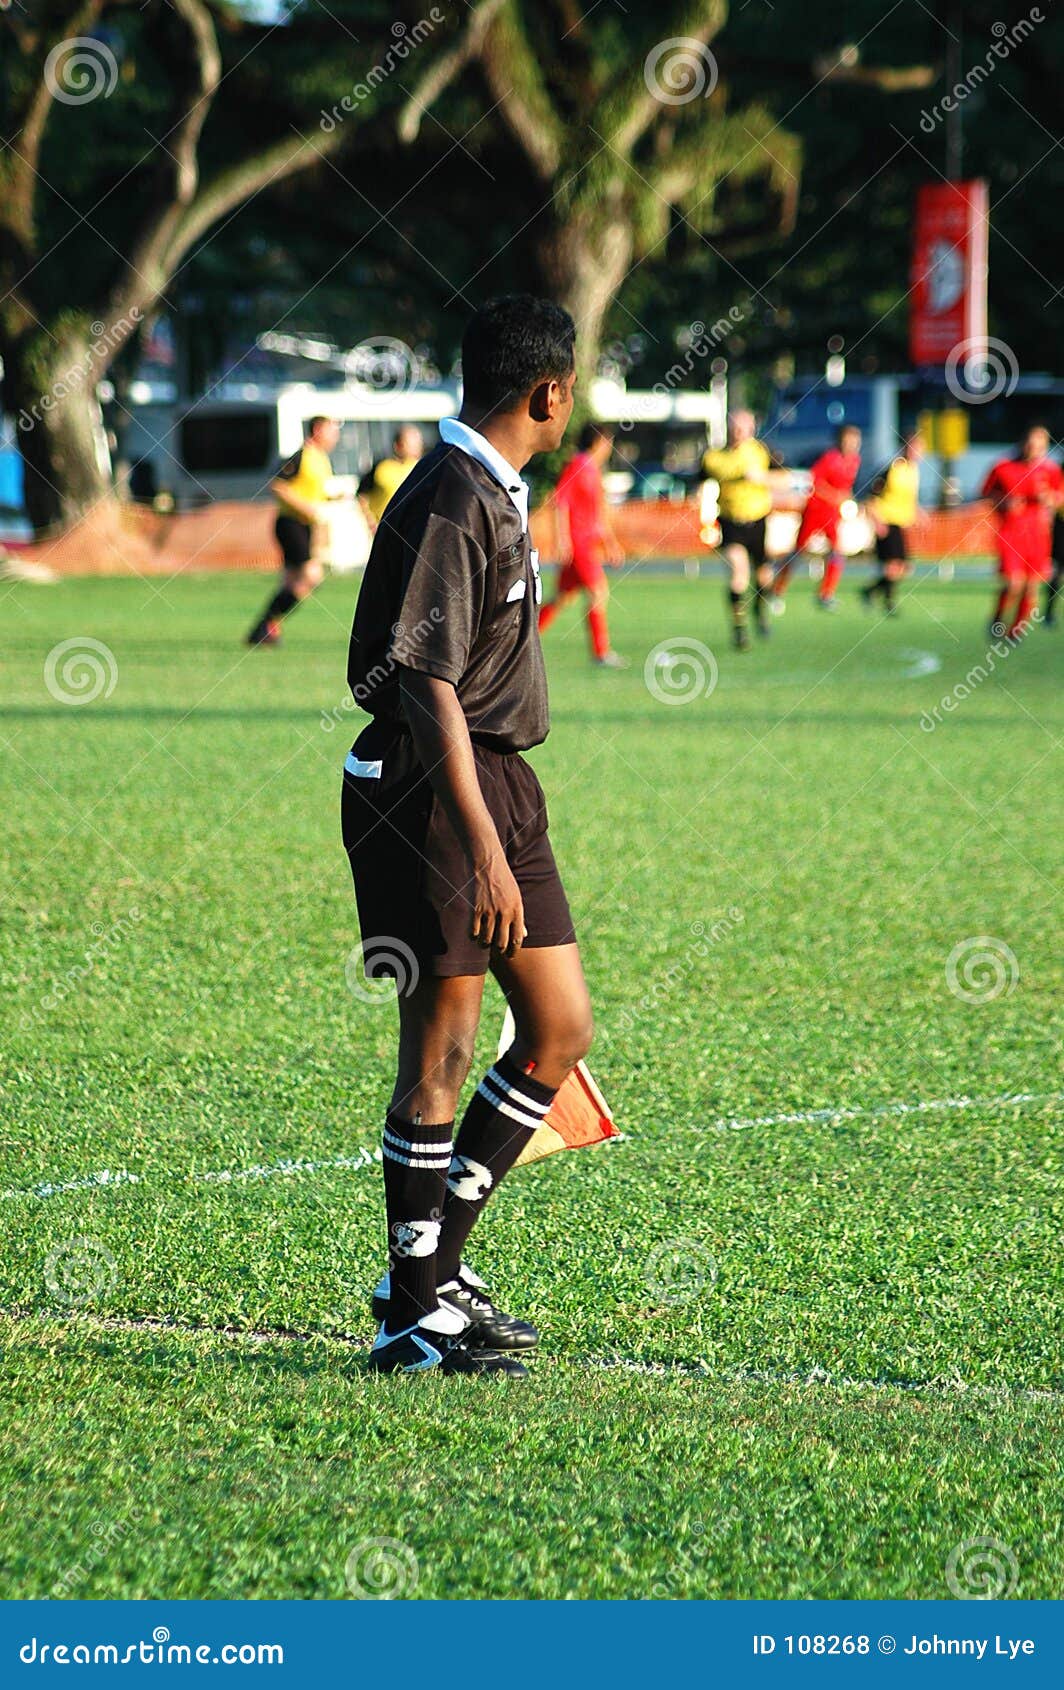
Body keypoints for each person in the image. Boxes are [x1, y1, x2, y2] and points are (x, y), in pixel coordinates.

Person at [342, 295, 593, 1378]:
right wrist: (481, 845)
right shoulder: (454, 494)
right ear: (547, 393)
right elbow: (427, 680)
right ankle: (411, 1315)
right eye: (570, 387)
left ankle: (436, 1265)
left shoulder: (491, 483)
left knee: (558, 1027)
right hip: (432, 791)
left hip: (496, 782)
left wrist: (501, 823)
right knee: (442, 1049)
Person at [537, 422, 626, 667]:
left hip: (588, 544)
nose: (609, 448)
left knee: (561, 598)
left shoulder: (593, 469)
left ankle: (524, 640)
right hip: (579, 545)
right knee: (599, 592)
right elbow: (560, 502)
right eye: (607, 442)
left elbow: (598, 514)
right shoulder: (578, 465)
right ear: (599, 442)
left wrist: (611, 545)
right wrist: (562, 539)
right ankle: (601, 653)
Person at [246, 415, 339, 647]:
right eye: (332, 430)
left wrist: (332, 498)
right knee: (311, 576)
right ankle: (266, 625)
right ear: (317, 430)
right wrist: (305, 507)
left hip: (305, 526)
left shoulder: (321, 459)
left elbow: (310, 490)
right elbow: (278, 485)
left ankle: (264, 630)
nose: (336, 436)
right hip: (290, 523)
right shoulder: (302, 455)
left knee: (291, 583)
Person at [982, 425, 1063, 641]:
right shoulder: (1003, 467)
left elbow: (1059, 497)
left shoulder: (1051, 470)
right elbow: (986, 494)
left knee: (1030, 586)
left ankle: (1016, 629)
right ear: (1023, 442)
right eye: (1031, 443)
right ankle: (998, 619)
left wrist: (1049, 498)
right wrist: (1003, 502)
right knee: (1013, 582)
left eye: (1040, 445)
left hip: (1038, 534)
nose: (1034, 448)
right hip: (1011, 532)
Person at [702, 409, 774, 648]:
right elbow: (697, 482)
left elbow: (787, 477)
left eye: (743, 428)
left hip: (758, 520)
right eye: (735, 428)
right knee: (739, 573)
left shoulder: (761, 452)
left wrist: (762, 478)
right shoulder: (714, 457)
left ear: (752, 429)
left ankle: (760, 611)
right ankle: (739, 627)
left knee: (764, 576)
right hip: (731, 523)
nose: (738, 433)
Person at [774, 423, 862, 612]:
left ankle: (826, 594)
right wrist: (835, 496)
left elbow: (846, 488)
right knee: (798, 552)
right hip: (815, 510)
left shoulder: (854, 461)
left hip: (833, 514)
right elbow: (814, 483)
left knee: (837, 552)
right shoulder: (830, 459)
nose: (852, 444)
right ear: (840, 440)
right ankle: (777, 590)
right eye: (848, 440)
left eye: (855, 441)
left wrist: (847, 499)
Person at [861, 431, 924, 615]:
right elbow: (871, 496)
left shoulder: (913, 470)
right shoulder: (892, 469)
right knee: (893, 565)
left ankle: (870, 591)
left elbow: (908, 498)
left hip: (901, 522)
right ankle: (889, 602)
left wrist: (919, 513)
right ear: (905, 448)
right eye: (914, 447)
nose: (917, 452)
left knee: (904, 567)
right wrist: (876, 521)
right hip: (886, 520)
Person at [358, 425, 424, 532]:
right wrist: (370, 522)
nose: (417, 447)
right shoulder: (381, 467)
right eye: (411, 444)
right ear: (398, 445)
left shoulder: (422, 468)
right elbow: (362, 496)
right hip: (382, 530)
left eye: (418, 443)